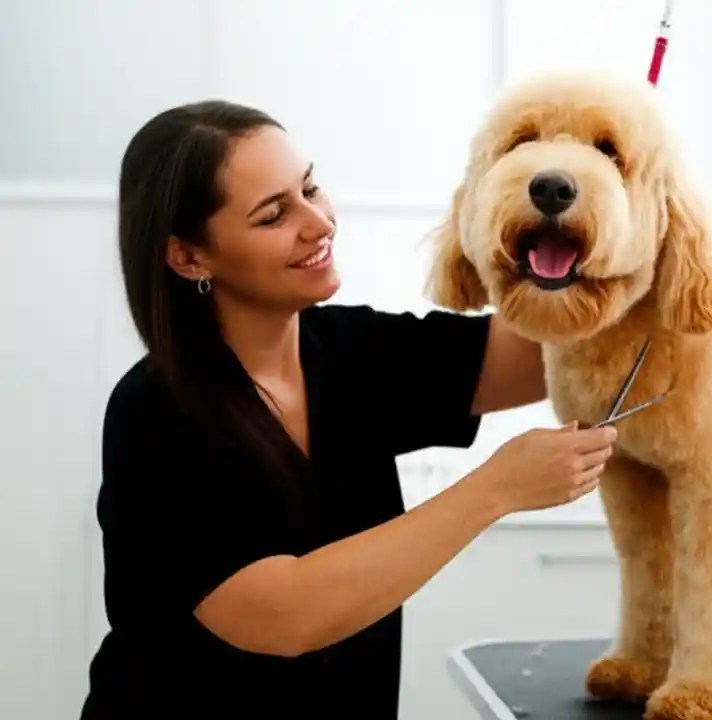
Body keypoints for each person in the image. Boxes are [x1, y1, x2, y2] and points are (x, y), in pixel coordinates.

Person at [79, 100, 618, 719]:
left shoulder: (346, 352)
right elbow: (285, 615)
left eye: (309, 187)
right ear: (189, 257)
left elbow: (535, 354)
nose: (318, 222)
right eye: (274, 214)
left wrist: (609, 227)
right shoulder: (154, 414)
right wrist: (496, 489)